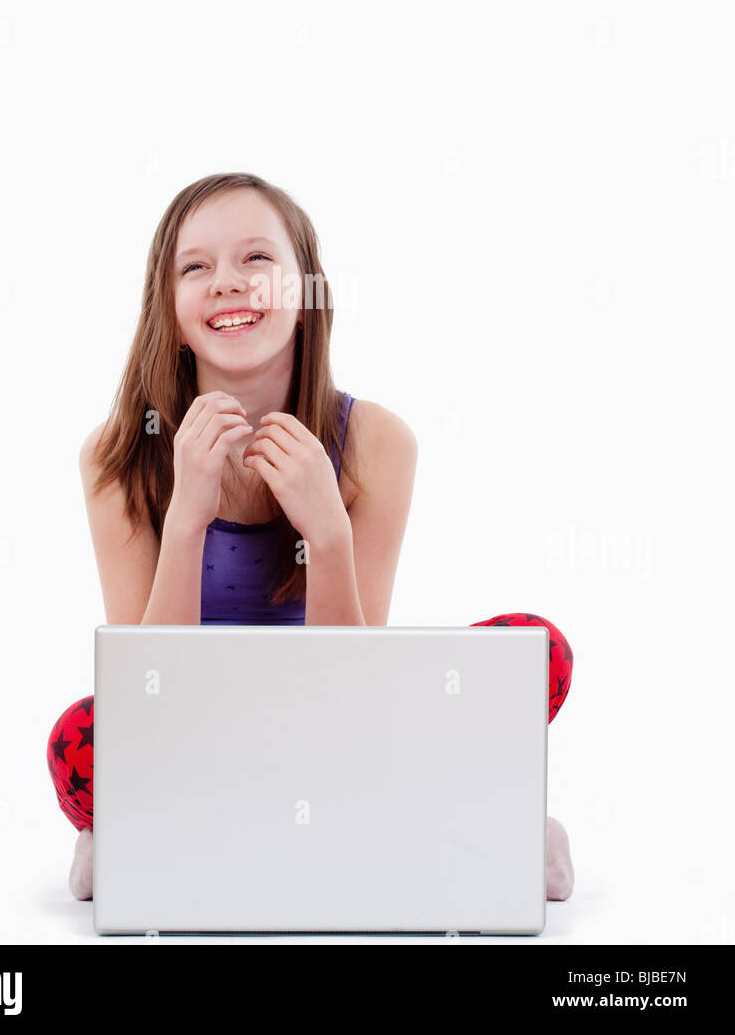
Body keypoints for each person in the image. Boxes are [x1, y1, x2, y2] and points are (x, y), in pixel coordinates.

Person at [47, 171, 574, 903]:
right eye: (195, 267)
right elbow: (146, 693)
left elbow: (354, 685)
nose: (227, 283)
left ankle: (194, 836)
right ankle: (437, 824)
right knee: (81, 733)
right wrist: (187, 517)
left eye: (256, 259)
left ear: (306, 293)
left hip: (342, 742)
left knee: (533, 648)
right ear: (169, 309)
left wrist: (326, 532)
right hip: (193, 744)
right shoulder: (117, 457)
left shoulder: (376, 442)